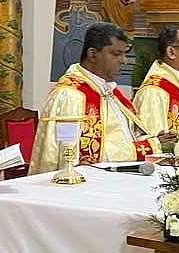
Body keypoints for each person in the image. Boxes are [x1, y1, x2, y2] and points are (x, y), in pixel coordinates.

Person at [30, 22, 168, 174]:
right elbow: (84, 157)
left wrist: (154, 140)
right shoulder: (71, 95)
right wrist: (151, 145)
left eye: (125, 54)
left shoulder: (110, 92)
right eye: (116, 54)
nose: (124, 61)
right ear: (92, 54)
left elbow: (125, 136)